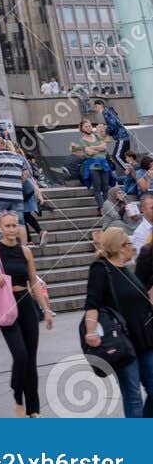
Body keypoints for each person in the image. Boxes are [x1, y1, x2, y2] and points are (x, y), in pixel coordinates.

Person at [0, 210, 53, 416]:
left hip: (26, 305)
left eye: (14, 225)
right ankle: (18, 396)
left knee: (31, 359)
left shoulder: (25, 251)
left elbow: (33, 281)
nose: (11, 229)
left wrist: (46, 309)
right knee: (21, 355)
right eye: (7, 226)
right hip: (6, 306)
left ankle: (33, 409)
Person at [83, 224, 153, 416]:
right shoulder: (101, 269)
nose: (134, 247)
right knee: (133, 396)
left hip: (145, 340)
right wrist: (90, 331)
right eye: (130, 243)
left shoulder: (128, 270)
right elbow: (92, 303)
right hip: (123, 342)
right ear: (120, 246)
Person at [71, 119, 114, 215]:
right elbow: (89, 152)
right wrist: (98, 148)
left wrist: (93, 148)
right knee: (97, 188)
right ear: (82, 128)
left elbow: (104, 147)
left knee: (106, 187)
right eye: (86, 126)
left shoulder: (97, 136)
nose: (89, 128)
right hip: (93, 166)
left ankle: (108, 207)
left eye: (90, 126)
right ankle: (101, 208)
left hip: (104, 164)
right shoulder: (82, 140)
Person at [0, 131, 31, 219]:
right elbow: (26, 173)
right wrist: (17, 183)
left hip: (1, 195)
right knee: (19, 223)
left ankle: (2, 231)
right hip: (17, 195)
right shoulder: (17, 156)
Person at [95, 98, 132, 173]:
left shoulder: (105, 112)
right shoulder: (110, 111)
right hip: (123, 136)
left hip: (121, 137)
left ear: (100, 105)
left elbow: (112, 124)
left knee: (117, 156)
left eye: (96, 107)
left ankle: (130, 171)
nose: (95, 109)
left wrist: (106, 132)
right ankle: (131, 171)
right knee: (124, 157)